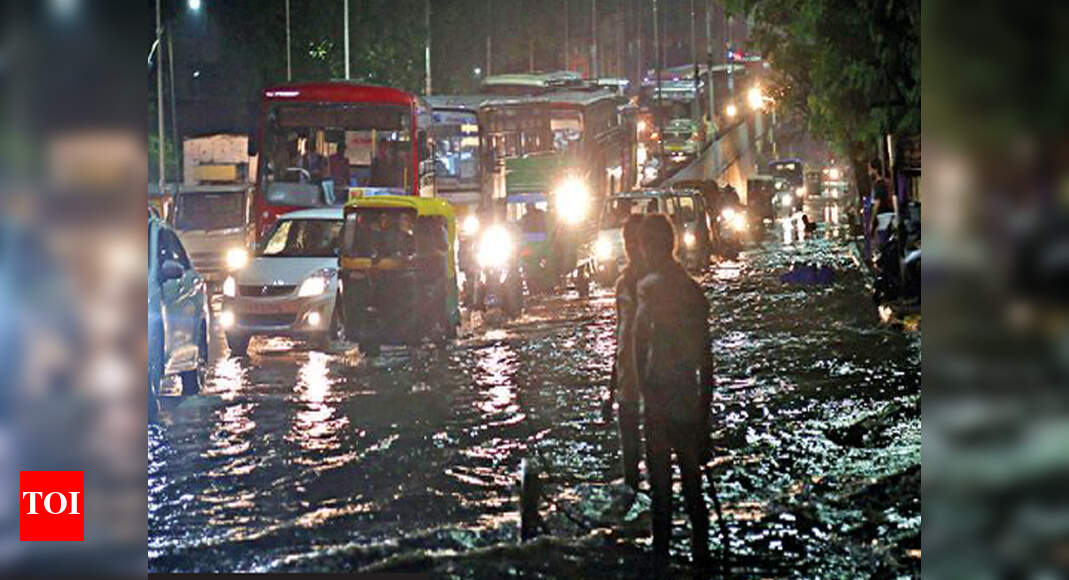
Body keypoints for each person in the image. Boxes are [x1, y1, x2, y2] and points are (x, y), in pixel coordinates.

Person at [633, 213, 714, 570]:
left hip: (659, 406)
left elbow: (639, 352)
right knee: (695, 493)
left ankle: (661, 562)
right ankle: (702, 559)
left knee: (661, 497)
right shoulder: (694, 293)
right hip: (687, 403)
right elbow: (706, 363)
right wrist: (705, 417)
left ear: (651, 247)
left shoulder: (648, 290)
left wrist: (644, 400)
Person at [606, 214, 647, 491]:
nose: (631, 246)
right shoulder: (622, 285)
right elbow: (621, 337)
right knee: (629, 457)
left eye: (636, 240)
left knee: (660, 461)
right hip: (627, 383)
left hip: (655, 384)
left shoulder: (660, 283)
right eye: (627, 240)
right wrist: (611, 391)